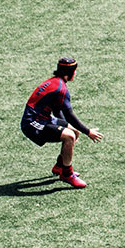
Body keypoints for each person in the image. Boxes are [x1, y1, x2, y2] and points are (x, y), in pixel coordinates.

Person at [20, 56, 102, 189]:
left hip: (43, 118)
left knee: (74, 132)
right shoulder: (61, 89)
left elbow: (58, 111)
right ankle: (66, 174)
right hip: (32, 123)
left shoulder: (55, 83)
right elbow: (69, 116)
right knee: (69, 136)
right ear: (70, 73)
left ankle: (59, 166)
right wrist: (88, 132)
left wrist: (66, 127)